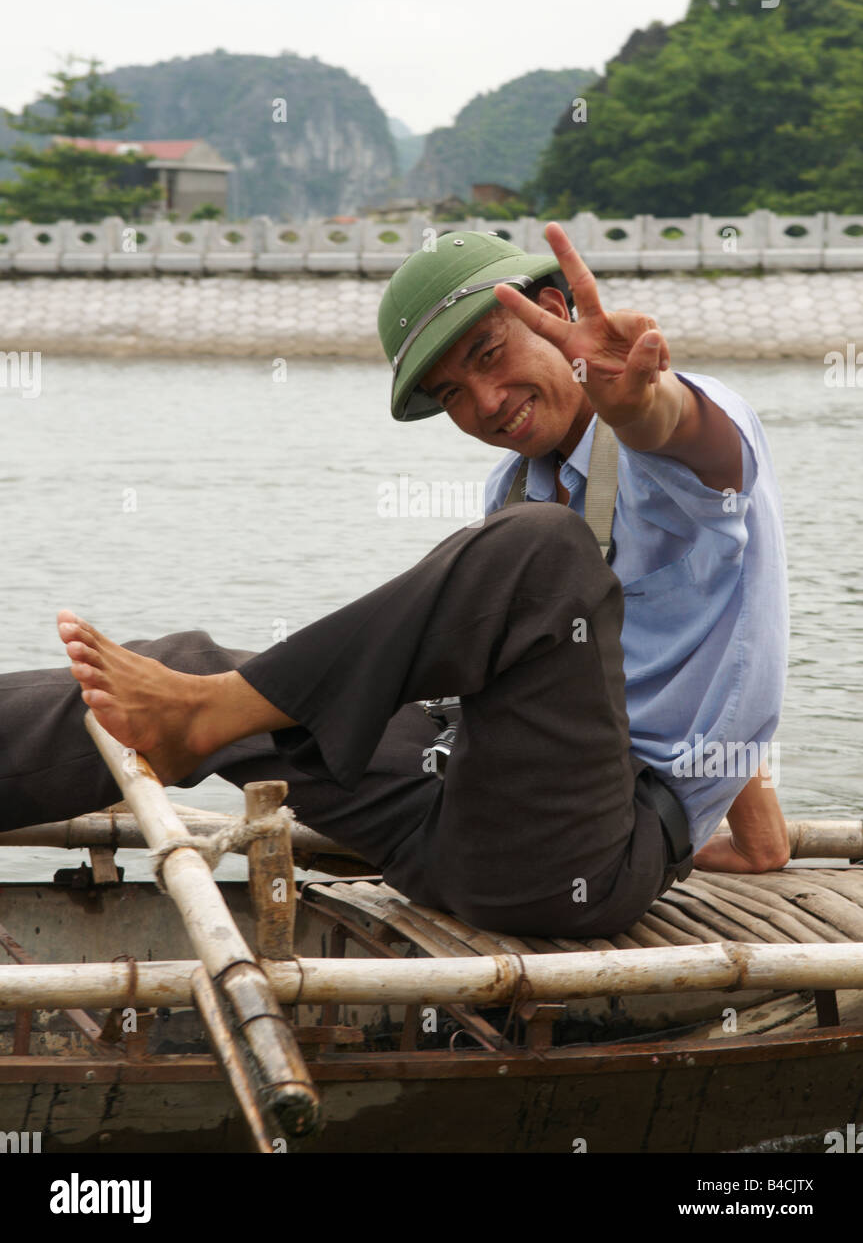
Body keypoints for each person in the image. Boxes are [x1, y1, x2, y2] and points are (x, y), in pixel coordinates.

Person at [3, 225, 790, 938]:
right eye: (451, 392)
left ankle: (217, 713)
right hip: (450, 809)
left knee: (536, 551)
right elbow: (714, 631)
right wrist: (758, 832)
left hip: (572, 858)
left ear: (552, 311)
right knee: (186, 665)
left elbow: (690, 440)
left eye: (489, 355)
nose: (485, 402)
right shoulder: (514, 490)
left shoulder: (680, 431)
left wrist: (645, 404)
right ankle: (208, 704)